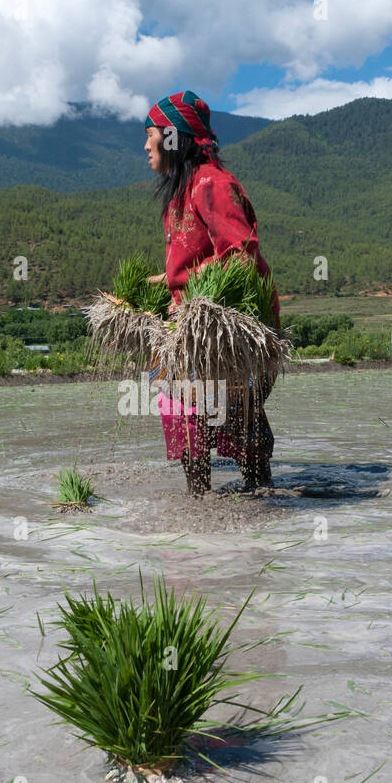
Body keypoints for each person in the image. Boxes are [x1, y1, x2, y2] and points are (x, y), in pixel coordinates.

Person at [143, 90, 279, 495]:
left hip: (223, 333)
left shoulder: (213, 185)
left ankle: (252, 505)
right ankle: (200, 501)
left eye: (149, 133)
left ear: (172, 138)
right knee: (186, 410)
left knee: (234, 410)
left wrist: (185, 288)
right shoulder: (182, 192)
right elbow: (196, 261)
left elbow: (240, 255)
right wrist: (159, 283)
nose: (144, 144)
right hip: (190, 327)